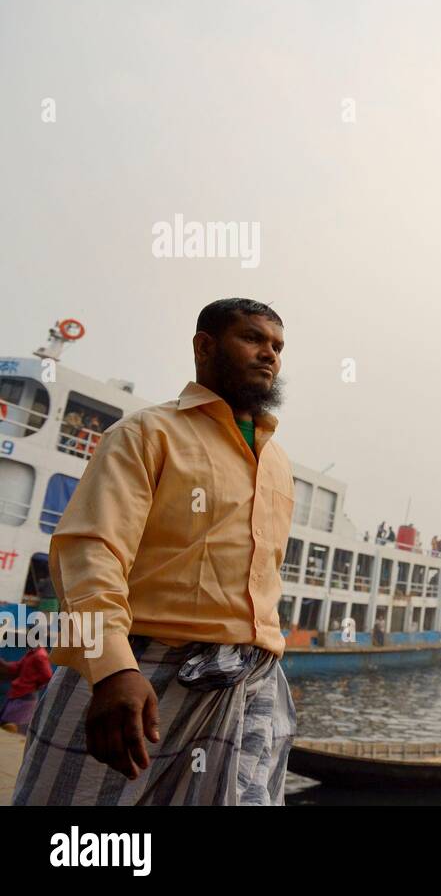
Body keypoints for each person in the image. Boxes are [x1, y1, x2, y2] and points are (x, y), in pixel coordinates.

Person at [12, 298, 296, 806]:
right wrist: (113, 668)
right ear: (204, 347)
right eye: (253, 339)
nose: (269, 355)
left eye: (276, 346)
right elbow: (91, 551)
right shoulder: (147, 434)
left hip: (252, 679)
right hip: (140, 669)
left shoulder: (277, 462)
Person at [0, 644, 53, 735]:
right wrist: (3, 663)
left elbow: (48, 676)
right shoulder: (31, 653)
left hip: (26, 696)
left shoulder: (40, 655)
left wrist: (34, 685)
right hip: (17, 694)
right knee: (6, 725)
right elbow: (17, 667)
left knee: (13, 728)